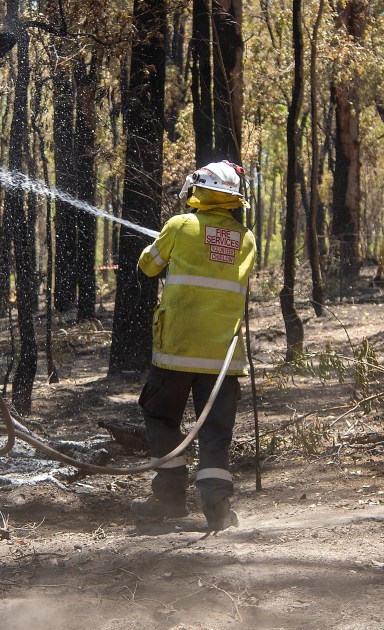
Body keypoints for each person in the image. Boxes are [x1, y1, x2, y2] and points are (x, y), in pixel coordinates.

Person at [130, 161, 256, 532]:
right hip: (223, 359)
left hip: (176, 351)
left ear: (197, 190)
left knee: (161, 418)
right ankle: (217, 510)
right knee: (215, 432)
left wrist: (167, 242)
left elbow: (148, 265)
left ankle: (169, 499)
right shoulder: (246, 238)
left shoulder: (179, 226)